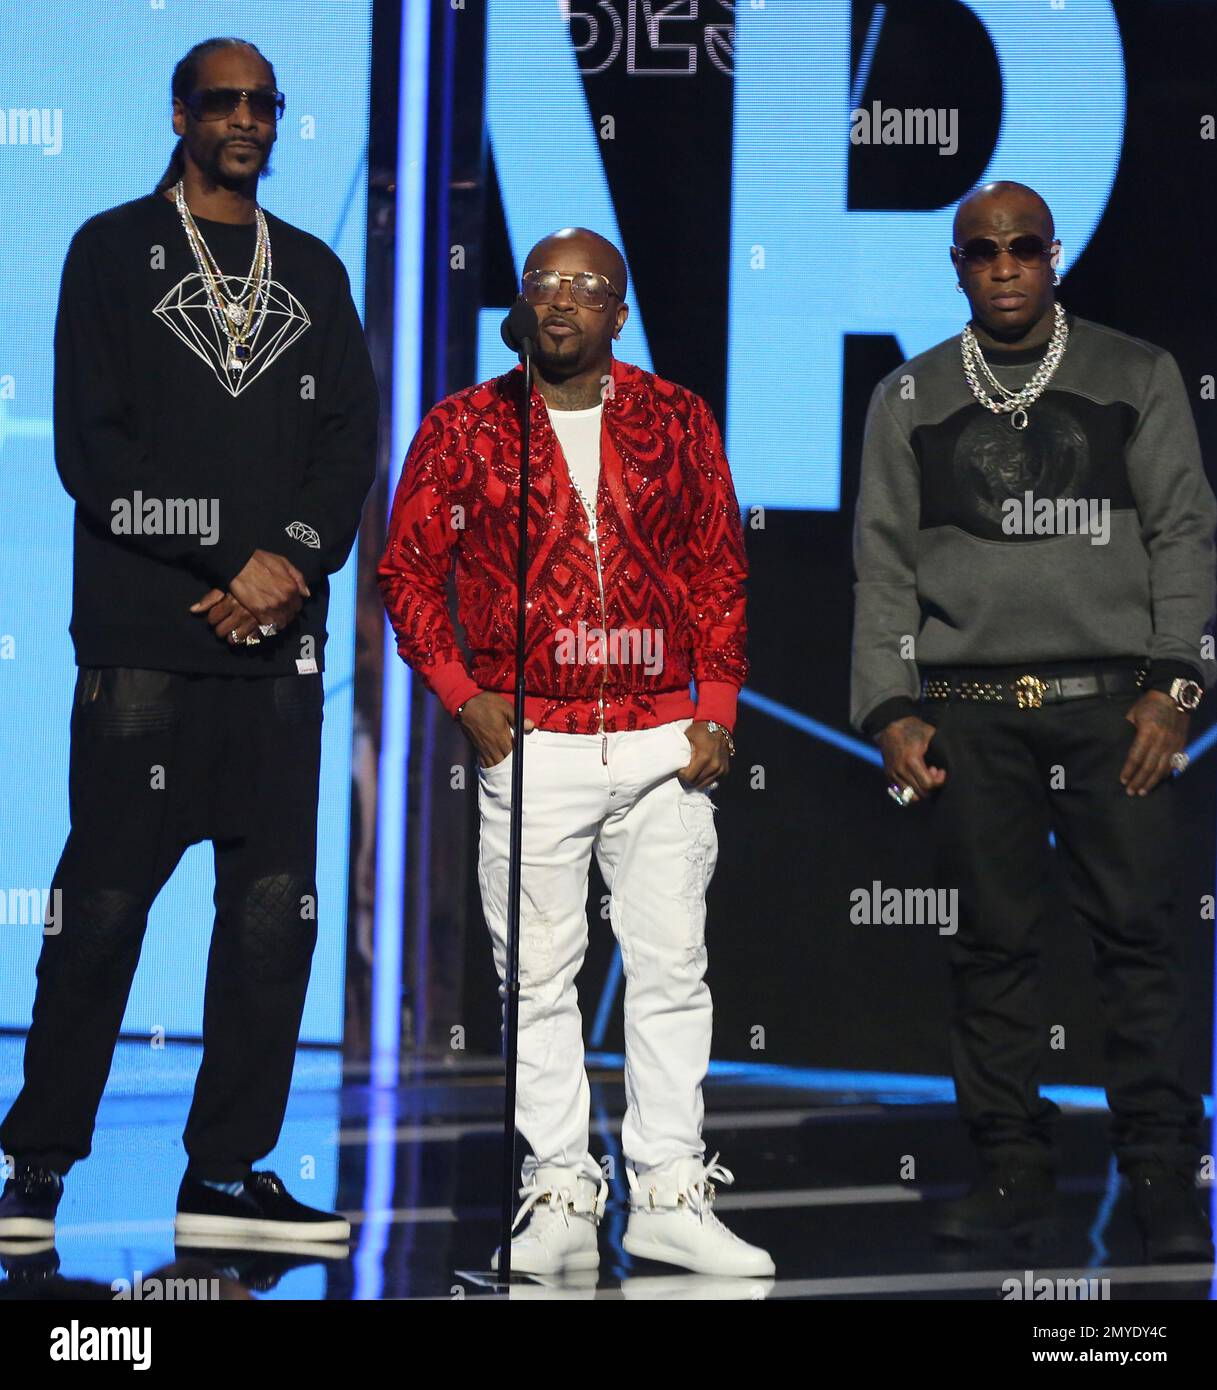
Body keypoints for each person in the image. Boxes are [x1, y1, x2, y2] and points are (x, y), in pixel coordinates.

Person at [0, 37, 378, 1246]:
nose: (245, 119)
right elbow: (93, 453)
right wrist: (238, 559)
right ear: (178, 113)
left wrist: (295, 565)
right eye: (222, 100)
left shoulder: (312, 272)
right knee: (101, 910)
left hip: (277, 659)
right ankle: (38, 1164)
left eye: (263, 102)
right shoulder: (109, 250)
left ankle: (222, 1171)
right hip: (146, 652)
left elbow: (349, 447)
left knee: (273, 923)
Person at [378, 227, 773, 1277]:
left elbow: (717, 569)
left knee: (669, 968)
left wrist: (718, 705)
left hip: (657, 737)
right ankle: (556, 1184)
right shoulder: (467, 426)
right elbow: (405, 573)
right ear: (521, 303)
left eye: (584, 288)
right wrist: (461, 694)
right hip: (536, 737)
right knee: (537, 977)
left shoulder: (674, 418)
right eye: (542, 285)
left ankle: (667, 1189)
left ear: (618, 311)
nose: (559, 303)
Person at [850, 180, 1216, 1263]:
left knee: (1138, 941)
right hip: (969, 714)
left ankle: (1160, 1176)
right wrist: (887, 707)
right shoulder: (908, 397)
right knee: (990, 950)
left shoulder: (1133, 374)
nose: (1002, 266)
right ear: (955, 265)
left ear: (1053, 256)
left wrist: (1174, 687)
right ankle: (1011, 1173)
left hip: (1115, 711)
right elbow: (883, 565)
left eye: (1020, 247)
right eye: (980, 250)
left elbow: (1183, 536)